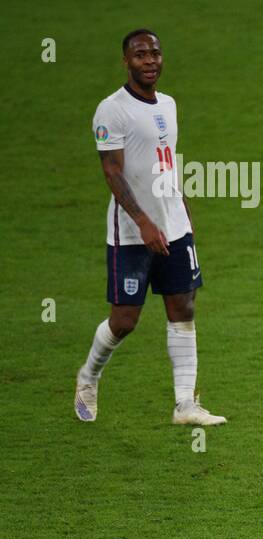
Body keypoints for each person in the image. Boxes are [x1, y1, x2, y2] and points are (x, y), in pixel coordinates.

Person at [76, 29, 225, 426]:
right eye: (141, 54)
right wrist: (143, 222)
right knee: (125, 320)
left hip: (173, 226)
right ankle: (89, 376)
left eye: (156, 53)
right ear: (126, 61)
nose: (150, 60)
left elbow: (168, 163)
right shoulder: (112, 110)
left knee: (183, 307)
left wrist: (184, 214)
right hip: (131, 233)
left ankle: (185, 406)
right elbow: (112, 171)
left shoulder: (169, 105)